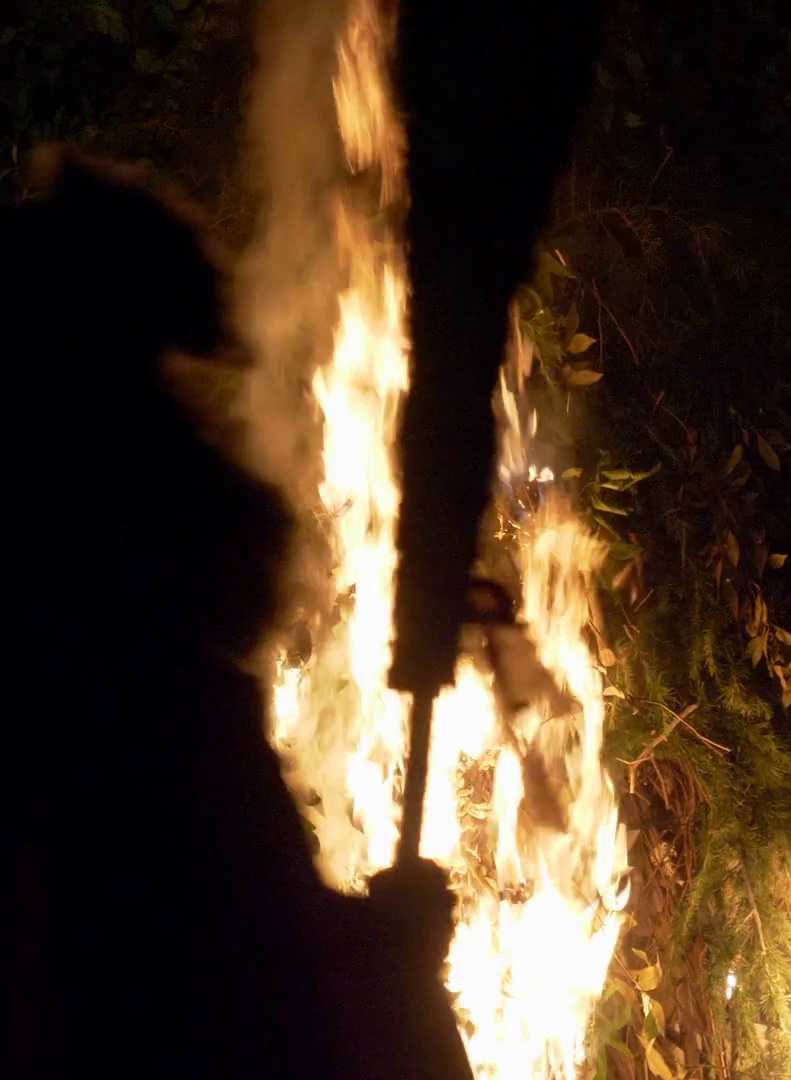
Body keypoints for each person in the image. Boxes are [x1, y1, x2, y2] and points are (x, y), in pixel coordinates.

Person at [2, 149, 468, 1080]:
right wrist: (388, 964)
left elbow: (256, 945)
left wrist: (383, 944)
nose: (198, 435)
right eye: (156, 391)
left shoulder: (156, 691)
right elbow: (235, 994)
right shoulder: (132, 709)